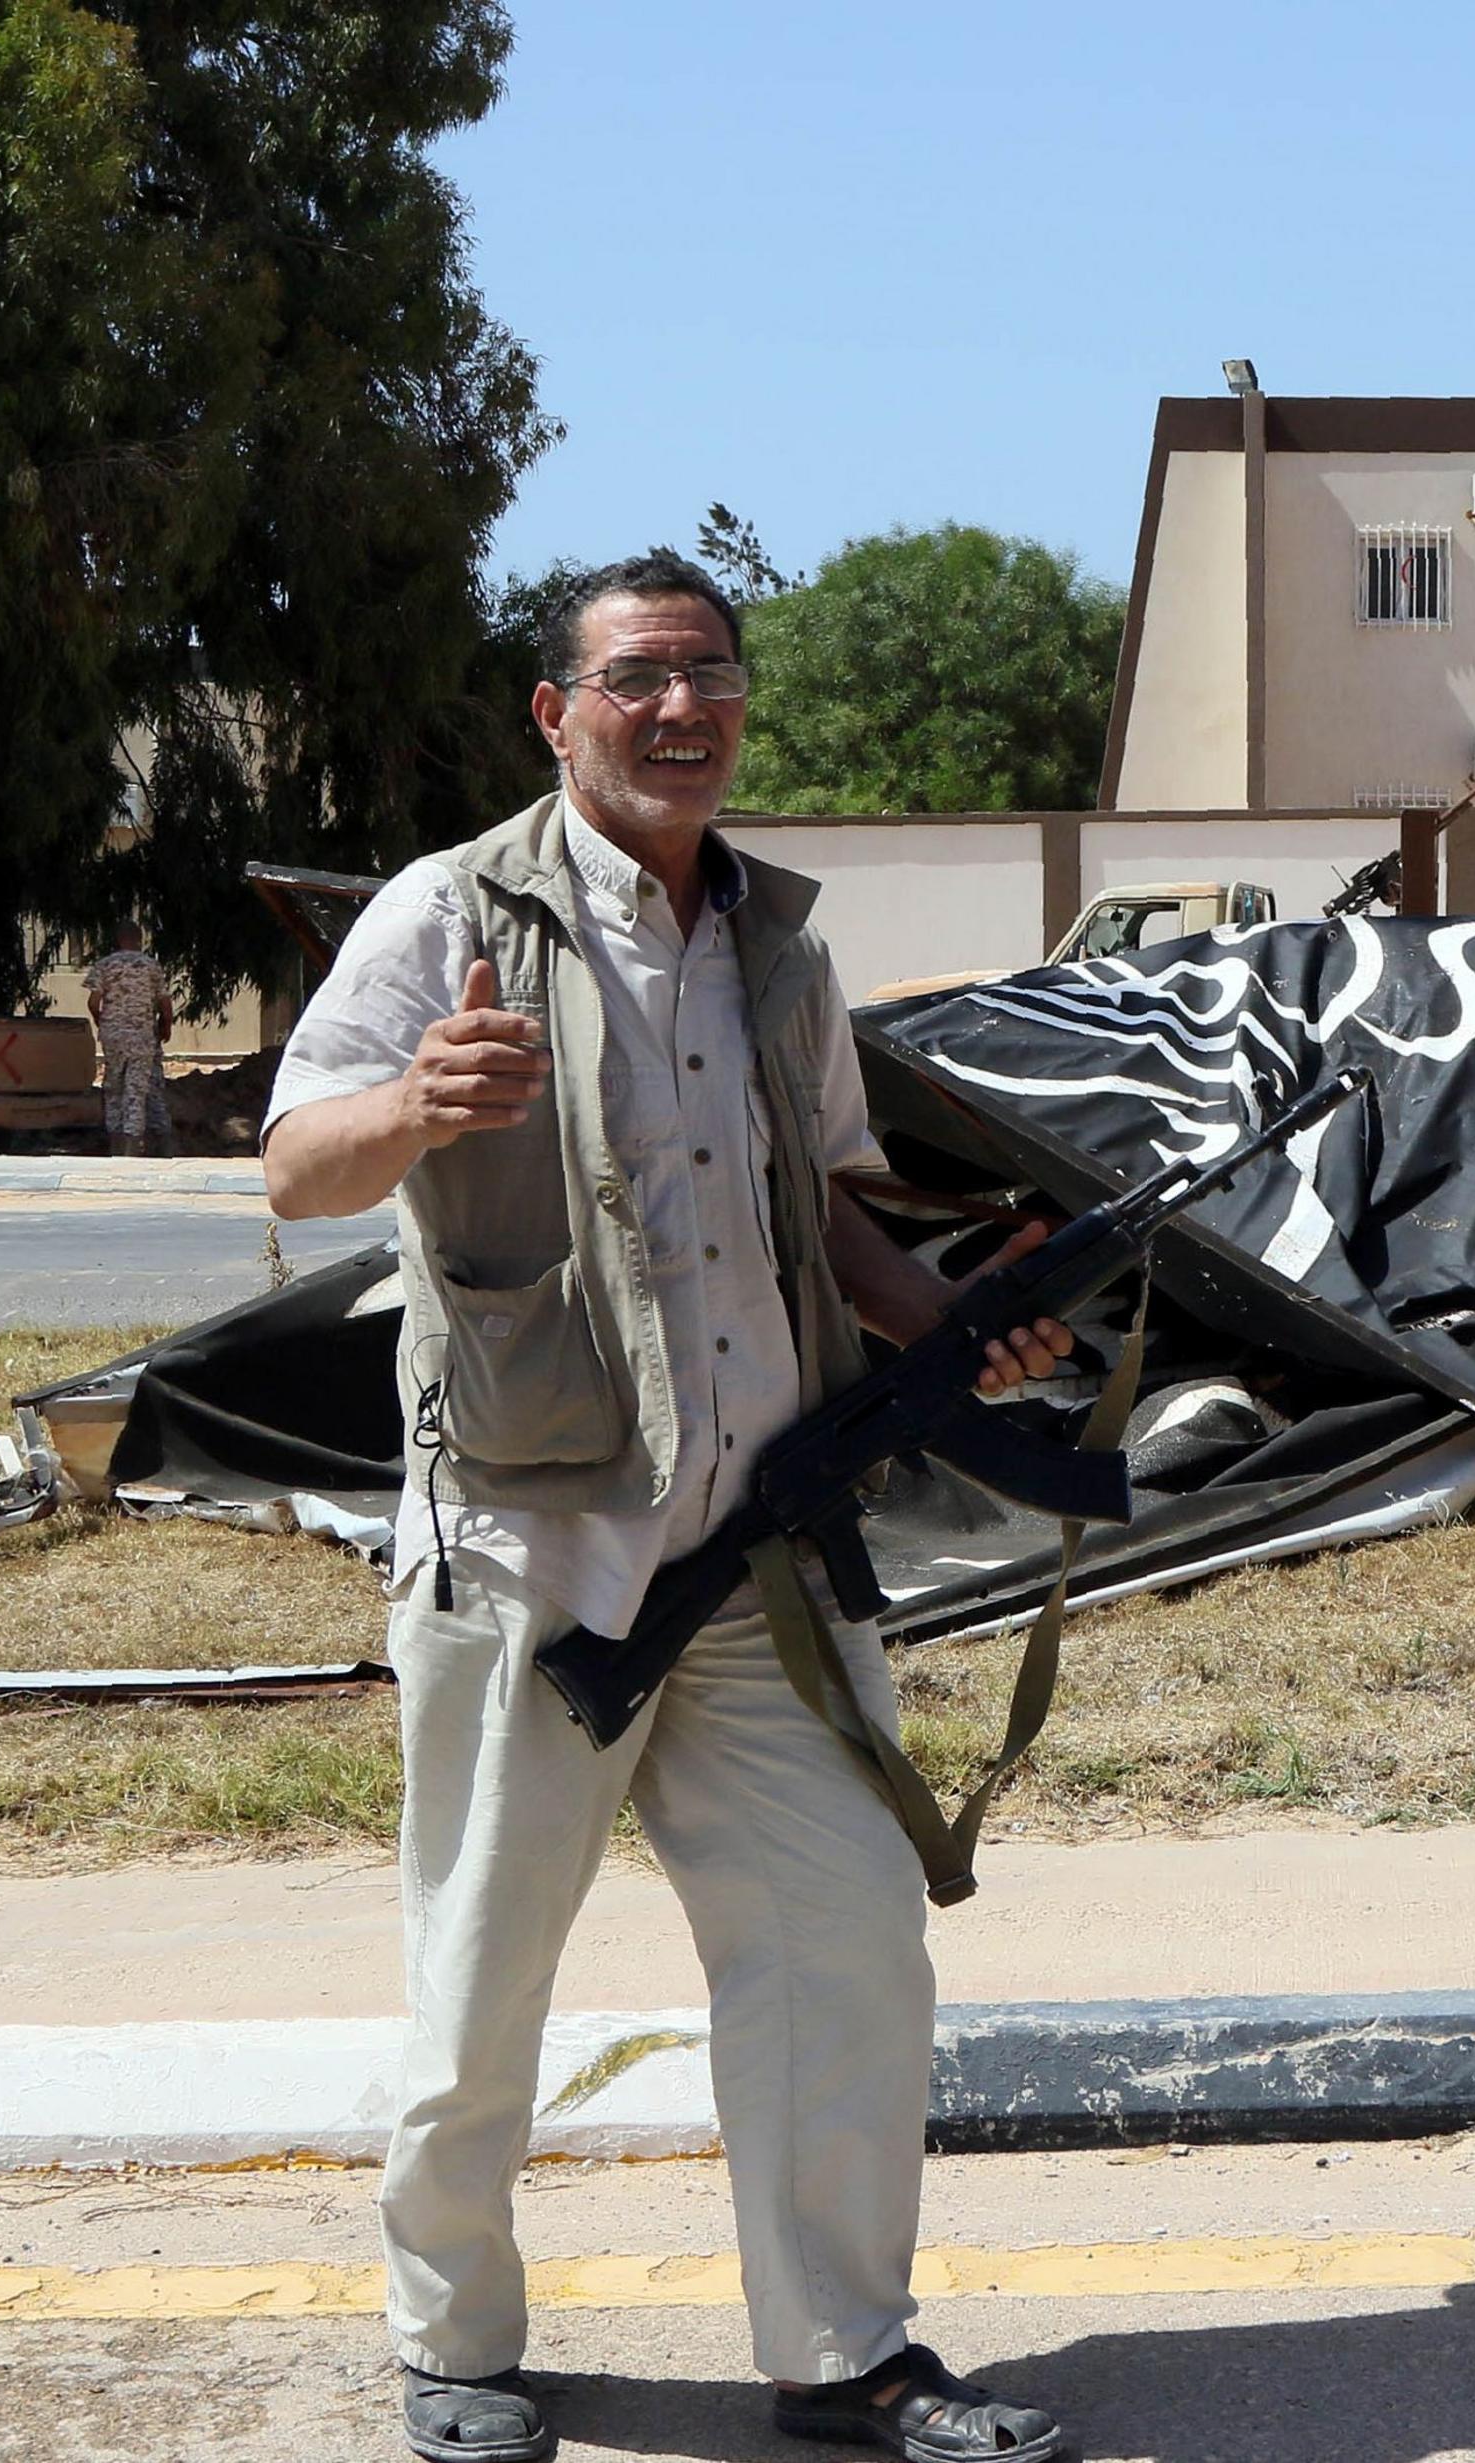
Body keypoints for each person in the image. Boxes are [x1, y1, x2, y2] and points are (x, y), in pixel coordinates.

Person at [264, 549, 1078, 2463]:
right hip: (536, 1545)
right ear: (557, 713)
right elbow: (297, 1163)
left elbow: (831, 1216)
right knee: (482, 1967)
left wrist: (962, 1326)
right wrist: (418, 1108)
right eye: (635, 679)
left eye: (707, 673)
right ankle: (454, 2341)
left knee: (847, 1938)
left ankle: (848, 2350)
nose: (679, 709)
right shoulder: (447, 911)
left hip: (764, 1560)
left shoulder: (780, 947)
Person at [84, 922, 175, 1155]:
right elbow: (165, 1003)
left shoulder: (105, 965)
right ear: (139, 939)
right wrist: (166, 1026)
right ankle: (132, 1146)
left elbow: (93, 1002)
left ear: (118, 939)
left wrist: (101, 1021)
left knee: (114, 1086)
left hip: (112, 1036)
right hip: (142, 1036)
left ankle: (114, 1143)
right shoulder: (151, 966)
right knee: (136, 1088)